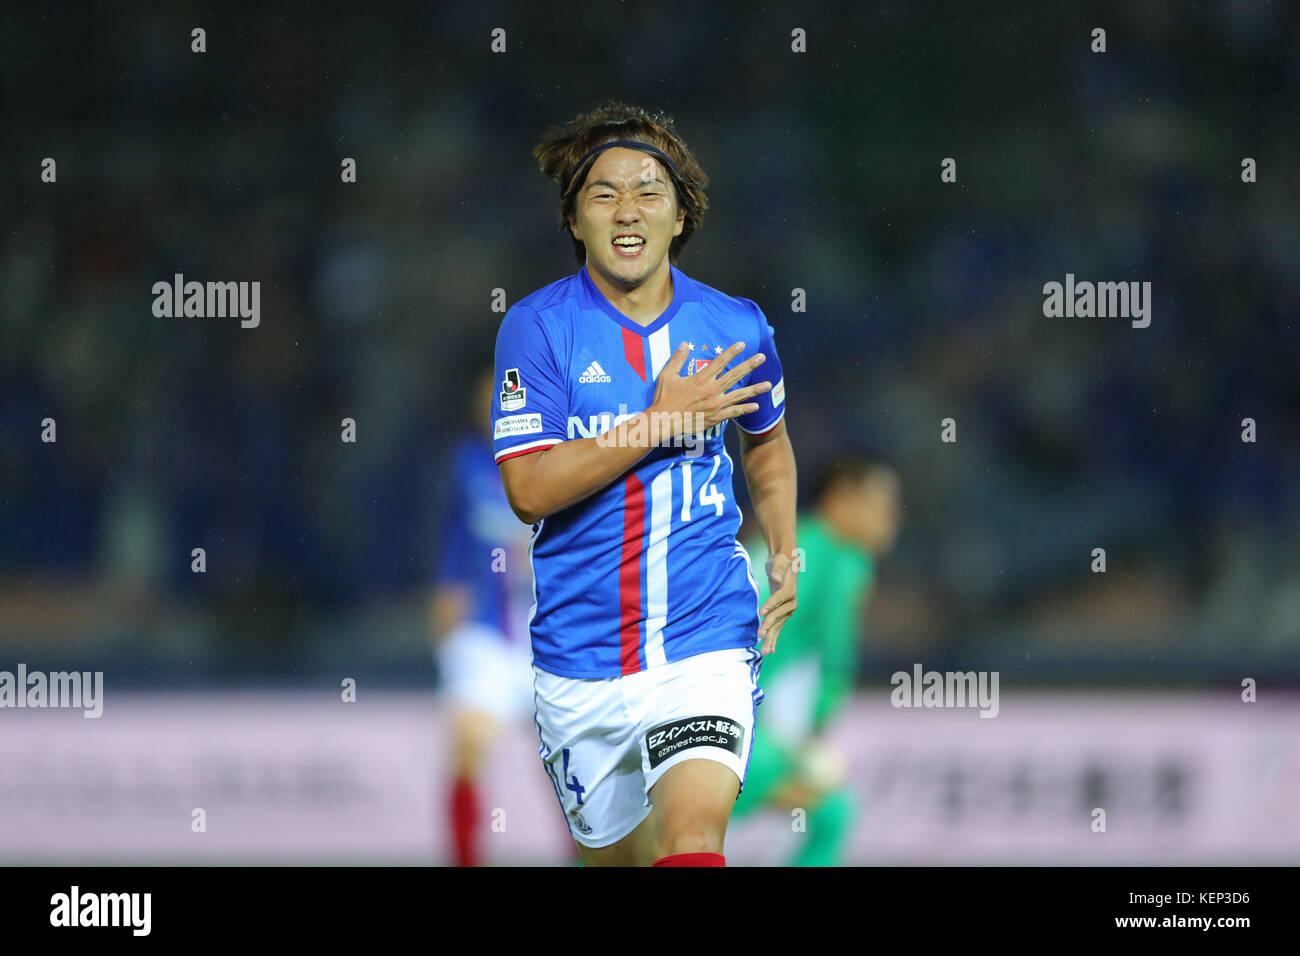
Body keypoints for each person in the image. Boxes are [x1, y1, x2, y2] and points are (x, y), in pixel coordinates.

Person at [491, 100, 799, 867]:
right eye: (604, 194)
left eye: (648, 191)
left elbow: (767, 444)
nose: (627, 210)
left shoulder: (735, 327)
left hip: (705, 639)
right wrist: (658, 422)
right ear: (574, 221)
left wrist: (786, 550)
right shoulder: (538, 329)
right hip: (580, 656)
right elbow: (528, 490)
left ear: (681, 214)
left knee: (693, 840)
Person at [733, 455, 902, 865]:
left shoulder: (790, 543)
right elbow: (833, 663)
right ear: (841, 500)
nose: (891, 519)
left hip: (716, 712)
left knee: (651, 833)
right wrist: (810, 734)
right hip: (747, 731)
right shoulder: (842, 559)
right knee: (833, 812)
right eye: (880, 505)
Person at [430, 366, 538, 866]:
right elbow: (452, 533)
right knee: (469, 748)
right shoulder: (467, 467)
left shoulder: (562, 463)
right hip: (486, 632)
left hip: (550, 636)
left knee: (578, 771)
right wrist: (447, 588)